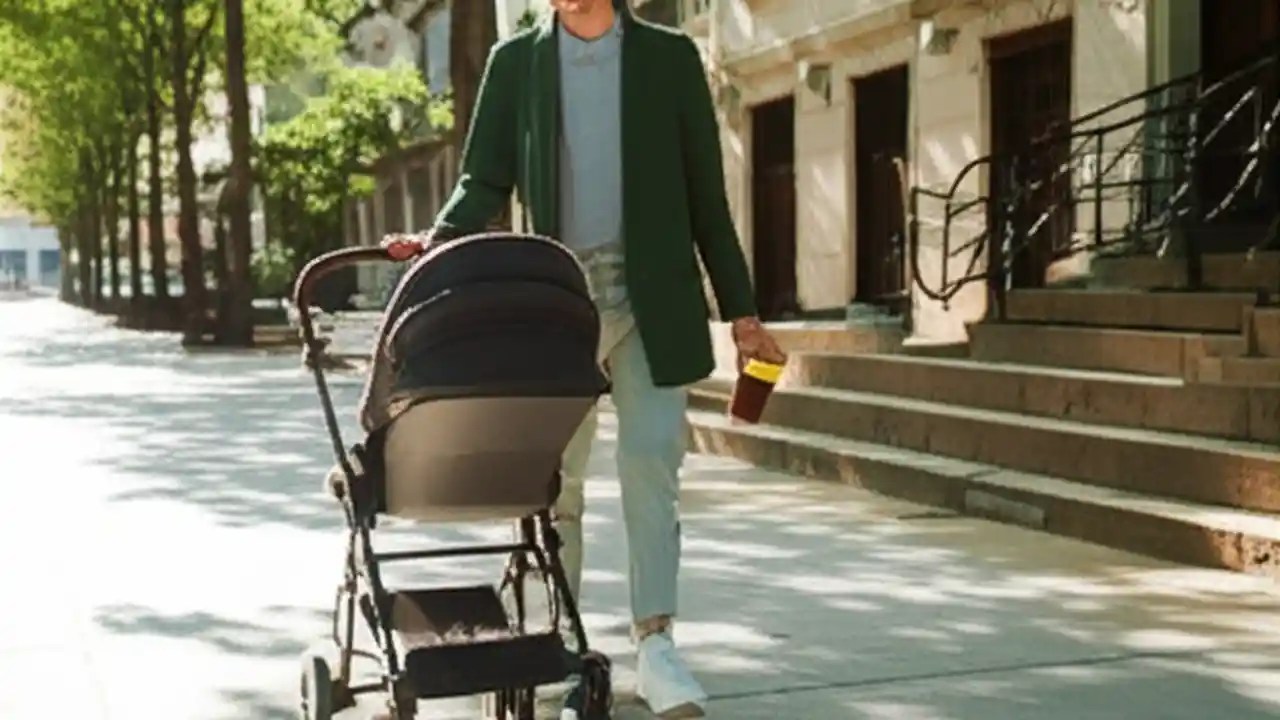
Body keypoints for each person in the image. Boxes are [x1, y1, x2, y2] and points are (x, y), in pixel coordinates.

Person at [386, 0, 785, 716]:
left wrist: (743, 313)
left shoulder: (670, 59)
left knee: (650, 461)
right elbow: (485, 180)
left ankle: (657, 646)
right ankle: (554, 641)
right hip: (557, 307)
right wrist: (436, 241)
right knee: (552, 482)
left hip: (650, 303)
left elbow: (707, 200)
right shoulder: (518, 62)